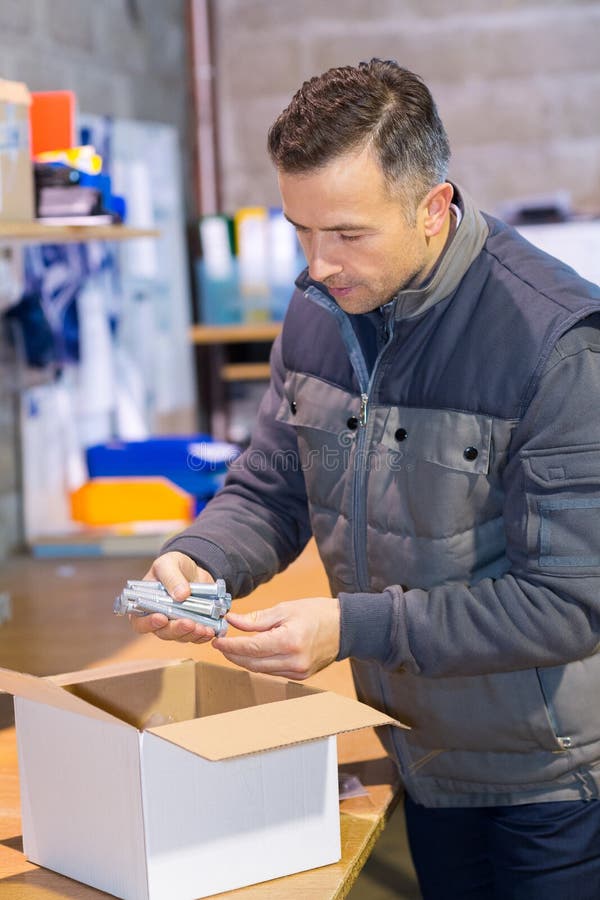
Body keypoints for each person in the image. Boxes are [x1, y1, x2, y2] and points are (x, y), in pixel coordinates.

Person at [131, 59, 600, 898]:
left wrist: (353, 628)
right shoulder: (320, 309)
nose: (318, 264)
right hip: (419, 751)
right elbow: (273, 483)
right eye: (300, 231)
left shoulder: (557, 346)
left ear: (433, 207)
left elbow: (572, 601)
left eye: (347, 233)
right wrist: (203, 557)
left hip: (555, 784)